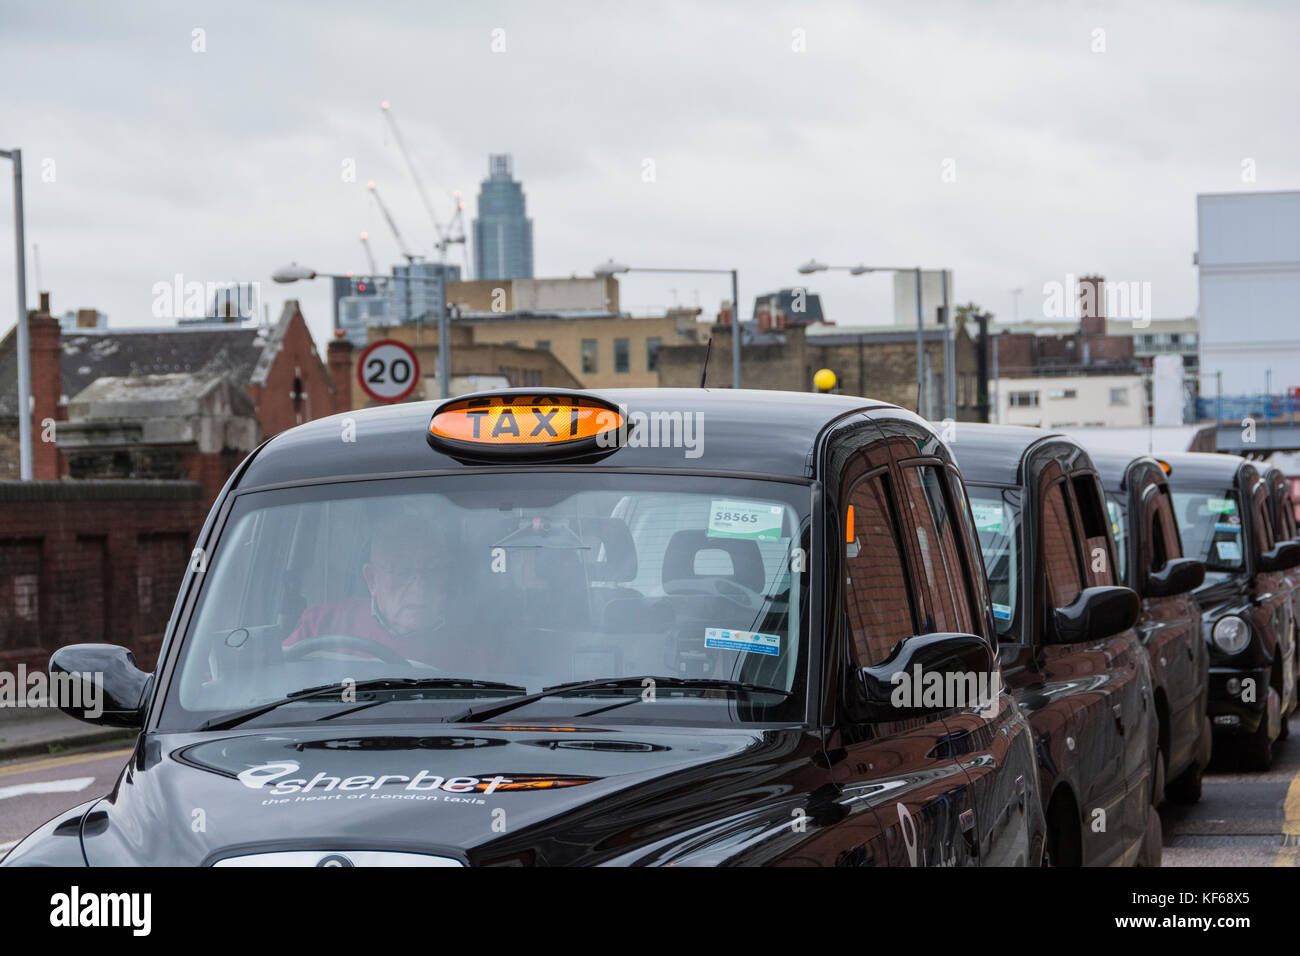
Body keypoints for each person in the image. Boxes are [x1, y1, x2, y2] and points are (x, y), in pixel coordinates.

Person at [282, 511, 454, 664]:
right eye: (403, 571)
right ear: (372, 579)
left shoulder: (475, 646)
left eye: (433, 570)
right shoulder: (320, 625)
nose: (420, 587)